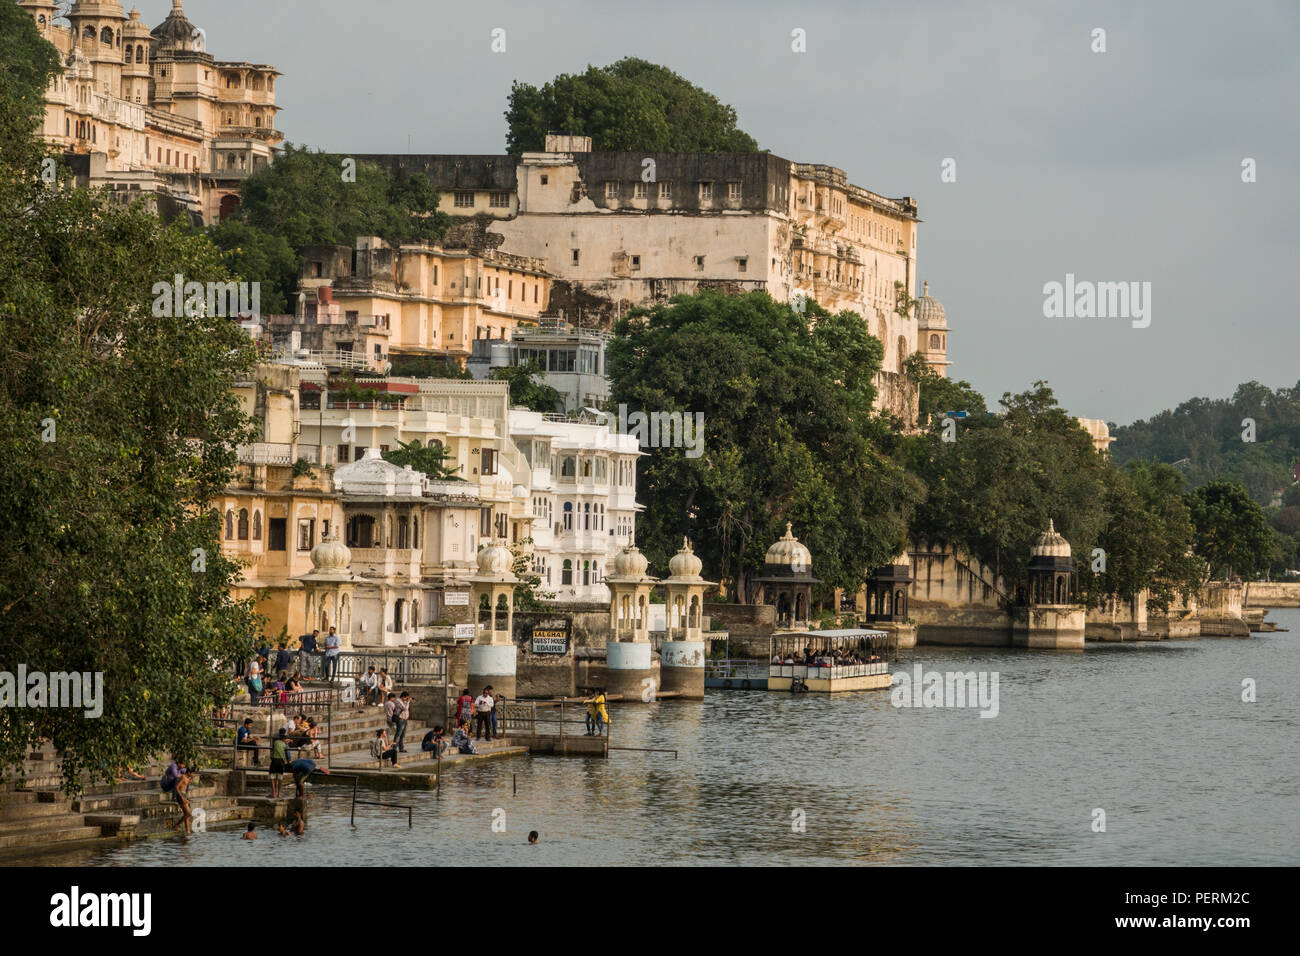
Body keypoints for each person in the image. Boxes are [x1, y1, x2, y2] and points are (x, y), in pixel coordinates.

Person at [169, 768, 196, 834]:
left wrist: (186, 797)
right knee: (188, 814)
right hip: (181, 796)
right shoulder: (183, 777)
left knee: (187, 814)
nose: (193, 774)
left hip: (184, 796)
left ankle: (188, 831)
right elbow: (177, 787)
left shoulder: (187, 778)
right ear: (189, 772)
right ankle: (176, 826)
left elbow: (185, 787)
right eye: (192, 773)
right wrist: (181, 797)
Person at [269, 729, 288, 798]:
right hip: (281, 761)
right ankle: (279, 793)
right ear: (284, 739)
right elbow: (287, 754)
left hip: (274, 760)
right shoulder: (285, 745)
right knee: (280, 777)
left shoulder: (275, 742)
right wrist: (288, 761)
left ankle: (273, 793)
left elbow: (272, 750)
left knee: (272, 777)